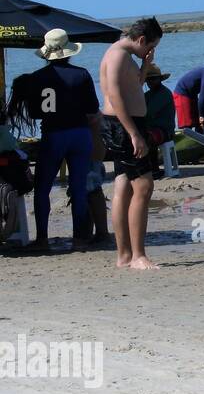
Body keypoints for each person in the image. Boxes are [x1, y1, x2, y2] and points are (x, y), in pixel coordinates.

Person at [9, 30, 101, 250]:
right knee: (78, 187)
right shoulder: (82, 74)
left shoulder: (37, 78)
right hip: (80, 134)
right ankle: (79, 239)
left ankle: (42, 239)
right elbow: (92, 109)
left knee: (43, 188)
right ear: (69, 51)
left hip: (53, 135)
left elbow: (35, 114)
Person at [100, 17, 164, 270]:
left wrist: (145, 67)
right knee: (144, 186)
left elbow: (132, 87)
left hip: (124, 124)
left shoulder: (124, 54)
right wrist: (134, 134)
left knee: (124, 184)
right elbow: (115, 95)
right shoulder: (117, 55)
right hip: (123, 125)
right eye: (150, 46)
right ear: (140, 40)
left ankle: (125, 255)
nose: (149, 51)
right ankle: (137, 255)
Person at [143, 63, 177, 177]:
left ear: (159, 79)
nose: (150, 82)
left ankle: (154, 169)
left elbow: (147, 112)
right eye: (148, 79)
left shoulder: (164, 94)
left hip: (165, 131)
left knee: (147, 137)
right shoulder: (148, 94)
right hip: (153, 128)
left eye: (153, 79)